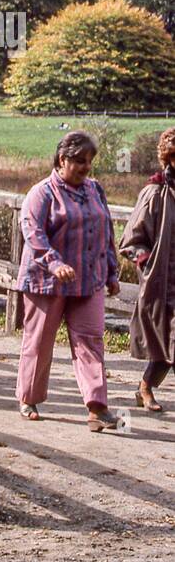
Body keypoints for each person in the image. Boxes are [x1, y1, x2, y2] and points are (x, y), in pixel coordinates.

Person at [16, 131, 121, 431]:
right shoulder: (42, 193)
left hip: (89, 280)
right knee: (39, 341)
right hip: (47, 282)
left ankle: (97, 407)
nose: (86, 167)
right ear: (62, 159)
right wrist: (54, 263)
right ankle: (29, 397)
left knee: (91, 340)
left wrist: (112, 271)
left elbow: (106, 232)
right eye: (79, 161)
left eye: (89, 162)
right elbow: (33, 234)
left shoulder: (95, 190)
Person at [120, 128, 175, 412]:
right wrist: (147, 264)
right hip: (164, 282)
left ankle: (145, 387)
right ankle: (146, 387)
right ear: (170, 158)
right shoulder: (155, 193)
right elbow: (133, 239)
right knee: (168, 343)